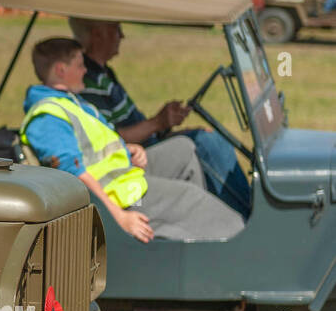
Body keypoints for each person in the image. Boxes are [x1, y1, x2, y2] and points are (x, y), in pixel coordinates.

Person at [21, 38, 245, 242]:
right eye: (80, 65)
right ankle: (236, 237)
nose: (85, 70)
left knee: (183, 149)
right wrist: (120, 217)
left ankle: (188, 239)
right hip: (118, 198)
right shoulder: (48, 117)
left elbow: (94, 148)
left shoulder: (71, 103)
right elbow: (74, 177)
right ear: (61, 70)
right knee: (194, 200)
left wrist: (127, 150)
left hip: (122, 178)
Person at [68, 17, 251, 218]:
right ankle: (246, 217)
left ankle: (238, 213)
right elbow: (110, 139)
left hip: (146, 148)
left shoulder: (103, 73)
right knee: (205, 143)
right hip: (134, 160)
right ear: (96, 34)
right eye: (115, 29)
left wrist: (164, 126)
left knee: (203, 137)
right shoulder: (87, 81)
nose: (122, 35)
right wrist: (157, 122)